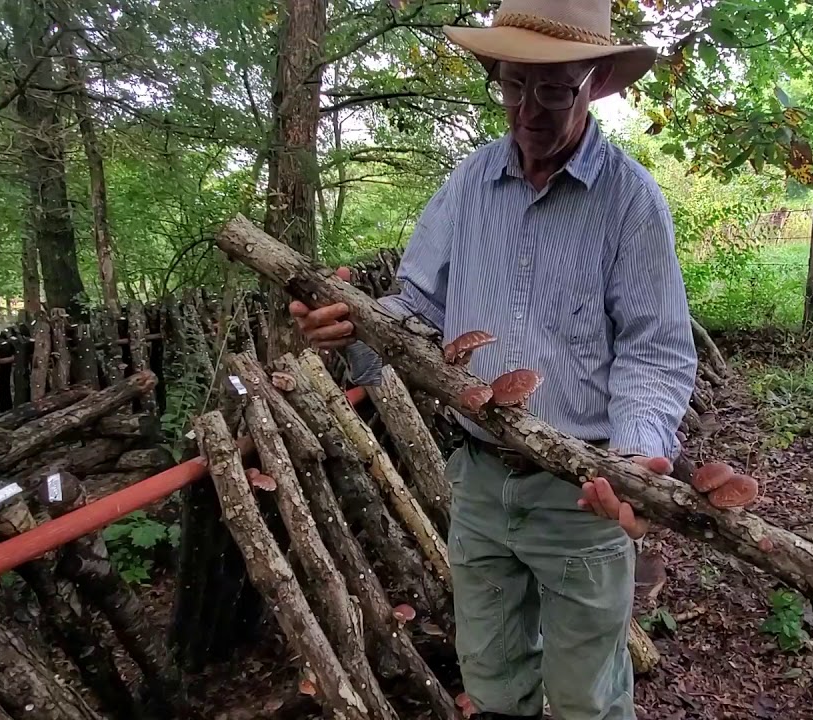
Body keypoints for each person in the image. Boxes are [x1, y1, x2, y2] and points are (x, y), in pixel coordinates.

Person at [289, 2, 714, 717]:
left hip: (582, 490)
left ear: (598, 79)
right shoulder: (470, 183)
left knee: (587, 699)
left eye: (554, 90)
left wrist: (637, 458)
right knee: (491, 682)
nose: (528, 111)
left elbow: (654, 350)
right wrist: (352, 328)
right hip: (482, 482)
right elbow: (416, 311)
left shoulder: (630, 201)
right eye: (514, 86)